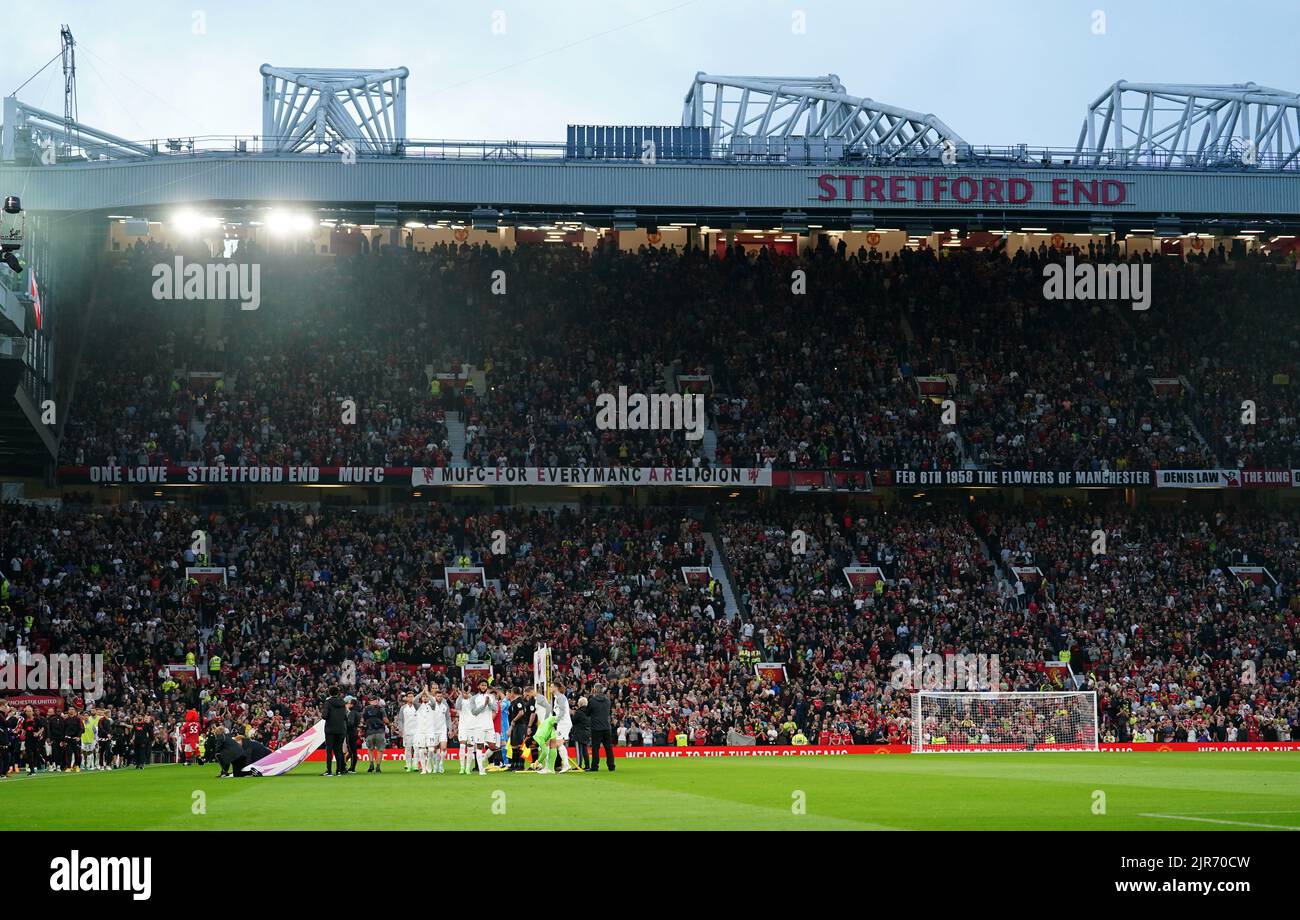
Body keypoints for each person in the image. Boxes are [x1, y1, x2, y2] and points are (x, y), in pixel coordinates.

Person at [586, 685, 615, 772]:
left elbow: (587, 713)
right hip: (606, 727)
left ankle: (595, 766)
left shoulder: (592, 701)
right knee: (608, 748)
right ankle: (611, 766)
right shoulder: (608, 701)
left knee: (595, 748)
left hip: (596, 727)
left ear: (594, 690)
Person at [321, 685, 349, 776]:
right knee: (338, 750)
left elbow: (324, 716)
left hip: (330, 729)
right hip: (341, 729)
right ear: (338, 693)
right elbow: (345, 717)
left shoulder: (328, 702)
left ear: (329, 693)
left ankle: (329, 771)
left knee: (329, 750)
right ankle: (339, 771)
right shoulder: (342, 702)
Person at [551, 679, 574, 773]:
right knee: (558, 744)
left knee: (559, 743)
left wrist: (555, 721)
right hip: (562, 723)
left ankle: (566, 765)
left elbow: (562, 711)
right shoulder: (558, 697)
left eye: (552, 686)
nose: (550, 688)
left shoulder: (560, 697)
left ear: (556, 688)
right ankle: (566, 764)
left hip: (563, 723)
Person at [362, 697, 388, 773]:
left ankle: (371, 765)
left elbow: (363, 720)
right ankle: (378, 767)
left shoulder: (366, 709)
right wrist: (389, 723)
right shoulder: (381, 708)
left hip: (369, 732)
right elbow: (385, 720)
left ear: (370, 702)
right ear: (377, 701)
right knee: (380, 750)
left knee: (370, 749)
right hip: (380, 732)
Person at [508, 688, 531, 771]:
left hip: (520, 725)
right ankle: (514, 764)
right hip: (515, 725)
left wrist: (514, 720)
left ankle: (520, 765)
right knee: (514, 745)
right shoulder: (514, 702)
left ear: (513, 693)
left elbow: (521, 713)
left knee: (519, 745)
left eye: (510, 692)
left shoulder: (519, 702)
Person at [398, 692, 419, 772]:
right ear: (406, 698)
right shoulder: (403, 708)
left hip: (417, 731)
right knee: (408, 749)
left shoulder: (417, 707)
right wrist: (401, 729)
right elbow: (400, 720)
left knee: (416, 749)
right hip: (407, 731)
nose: (411, 698)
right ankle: (408, 765)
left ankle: (415, 765)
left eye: (412, 696)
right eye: (409, 697)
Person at [572, 697, 592, 770]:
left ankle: (578, 765)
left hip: (579, 733)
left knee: (578, 750)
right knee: (585, 750)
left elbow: (573, 721)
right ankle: (587, 766)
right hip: (587, 733)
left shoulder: (579, 712)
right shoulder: (589, 712)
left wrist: (573, 714)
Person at [344, 696, 360, 773]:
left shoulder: (352, 713)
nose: (347, 705)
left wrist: (344, 723)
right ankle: (352, 767)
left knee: (352, 751)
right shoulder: (357, 712)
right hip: (354, 732)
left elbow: (350, 723)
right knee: (352, 751)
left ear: (352, 705)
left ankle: (352, 768)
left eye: (349, 703)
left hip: (350, 733)